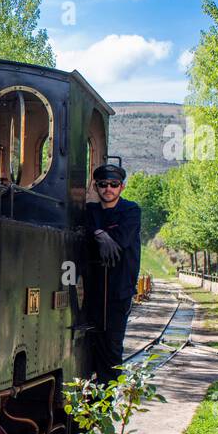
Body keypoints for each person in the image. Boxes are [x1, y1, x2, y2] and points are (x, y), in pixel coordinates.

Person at [85, 162, 141, 383]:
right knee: (93, 342)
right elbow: (87, 229)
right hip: (93, 288)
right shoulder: (90, 211)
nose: (108, 189)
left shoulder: (131, 211)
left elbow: (121, 241)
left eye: (114, 184)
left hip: (119, 289)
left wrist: (100, 234)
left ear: (122, 187)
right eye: (103, 184)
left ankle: (107, 401)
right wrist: (99, 233)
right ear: (96, 186)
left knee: (112, 345)